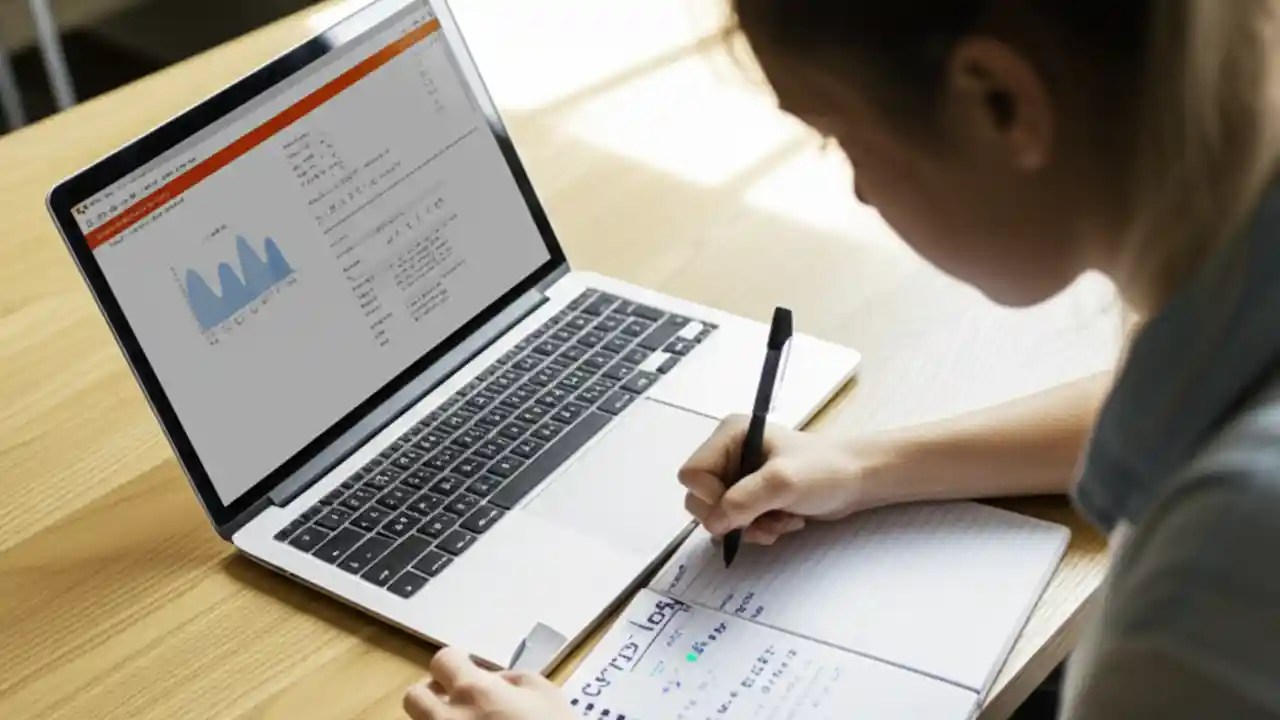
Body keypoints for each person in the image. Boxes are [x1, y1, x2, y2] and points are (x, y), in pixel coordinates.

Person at [403, 0, 1280, 717]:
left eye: (835, 133)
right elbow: (1172, 404)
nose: (858, 188)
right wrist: (860, 464)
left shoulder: (1221, 572)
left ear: (997, 103)